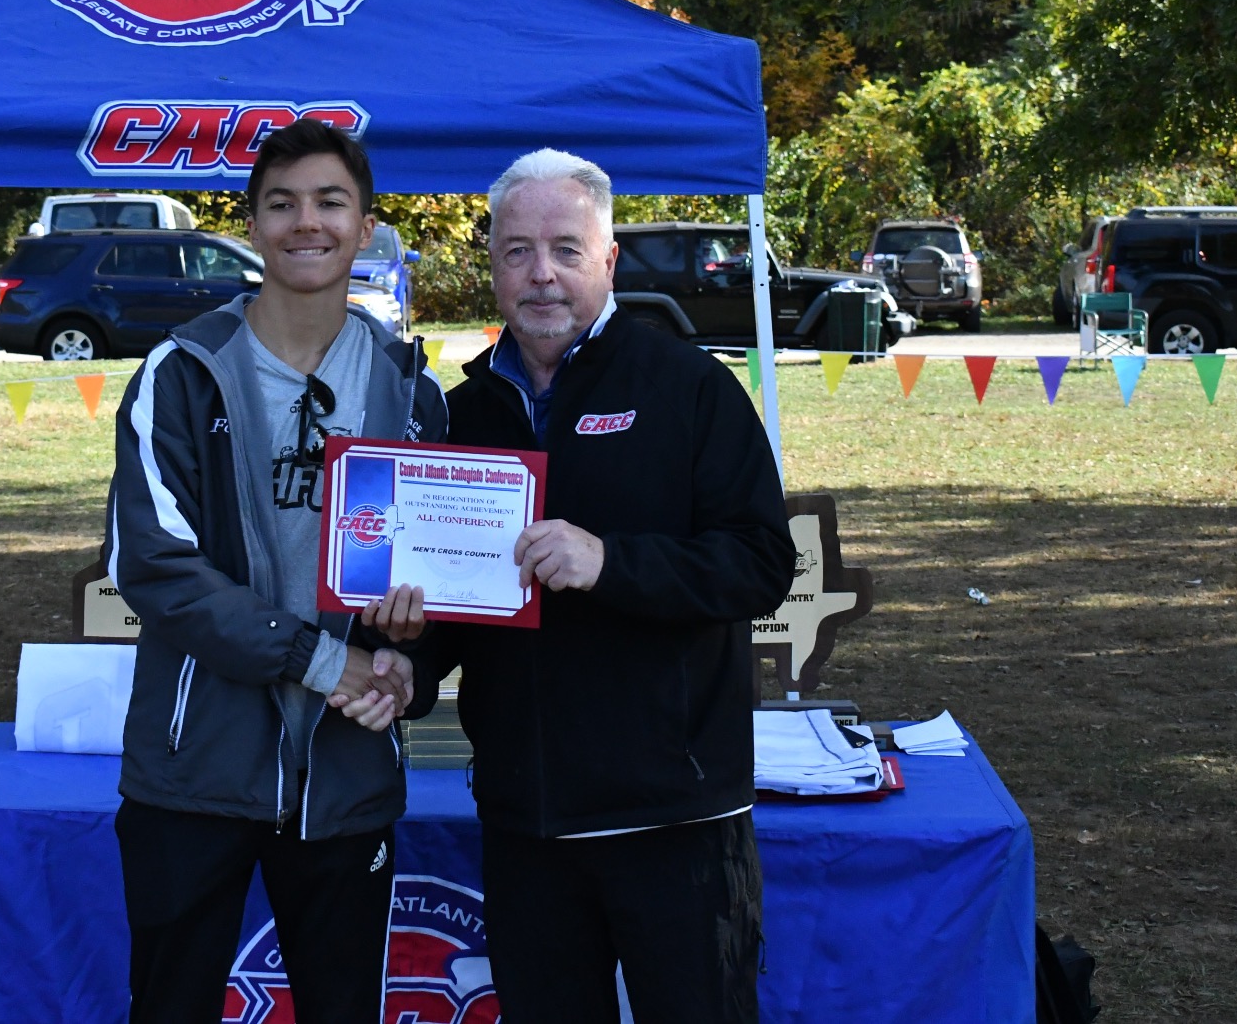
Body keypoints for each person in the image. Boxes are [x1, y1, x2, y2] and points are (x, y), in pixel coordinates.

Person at [392, 149, 795, 1024]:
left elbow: (763, 562)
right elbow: (459, 608)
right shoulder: (460, 414)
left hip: (674, 817)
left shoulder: (688, 388)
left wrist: (612, 562)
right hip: (525, 819)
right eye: (518, 250)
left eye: (567, 249)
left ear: (609, 260)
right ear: (490, 264)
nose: (542, 274)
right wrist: (406, 654)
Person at [103, 118, 447, 1023]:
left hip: (344, 774)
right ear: (251, 226)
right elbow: (155, 566)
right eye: (282, 203)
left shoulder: (412, 389)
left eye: (332, 201)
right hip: (196, 769)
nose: (309, 223)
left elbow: (429, 577)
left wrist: (407, 659)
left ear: (367, 225)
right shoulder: (179, 375)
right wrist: (329, 662)